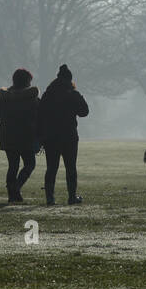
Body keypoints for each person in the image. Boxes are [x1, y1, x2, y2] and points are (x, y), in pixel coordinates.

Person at [37, 64, 89, 205]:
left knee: (51, 168)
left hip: (51, 136)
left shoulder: (48, 94)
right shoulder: (72, 94)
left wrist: (41, 135)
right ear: (70, 79)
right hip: (69, 135)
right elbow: (84, 112)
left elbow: (40, 114)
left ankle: (50, 198)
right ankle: (72, 197)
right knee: (70, 167)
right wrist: (79, 96)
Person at [0, 68, 39, 203]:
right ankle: (17, 187)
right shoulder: (32, 97)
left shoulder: (5, 97)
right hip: (26, 136)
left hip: (8, 136)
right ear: (28, 81)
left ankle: (12, 195)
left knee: (13, 166)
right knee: (30, 164)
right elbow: (39, 116)